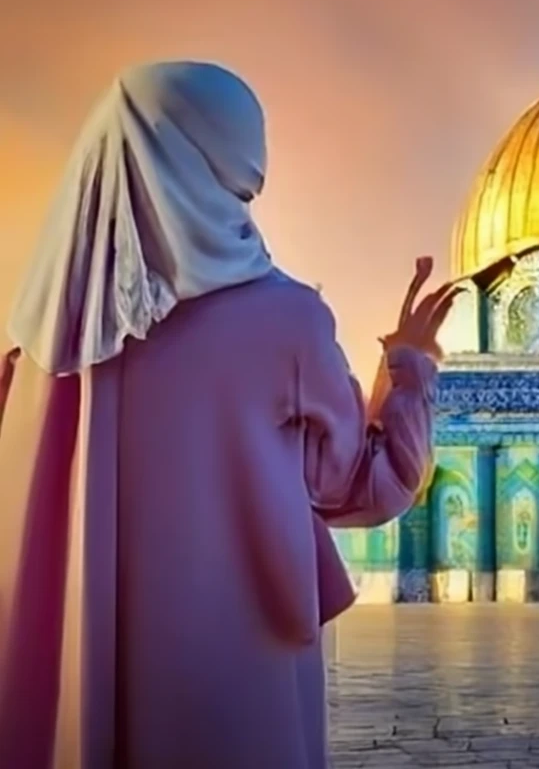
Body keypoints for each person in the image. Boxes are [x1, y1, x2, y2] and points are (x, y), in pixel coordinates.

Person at [0, 61, 457, 769]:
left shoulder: (38, 354)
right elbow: (370, 485)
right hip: (239, 690)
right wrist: (410, 369)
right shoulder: (284, 323)